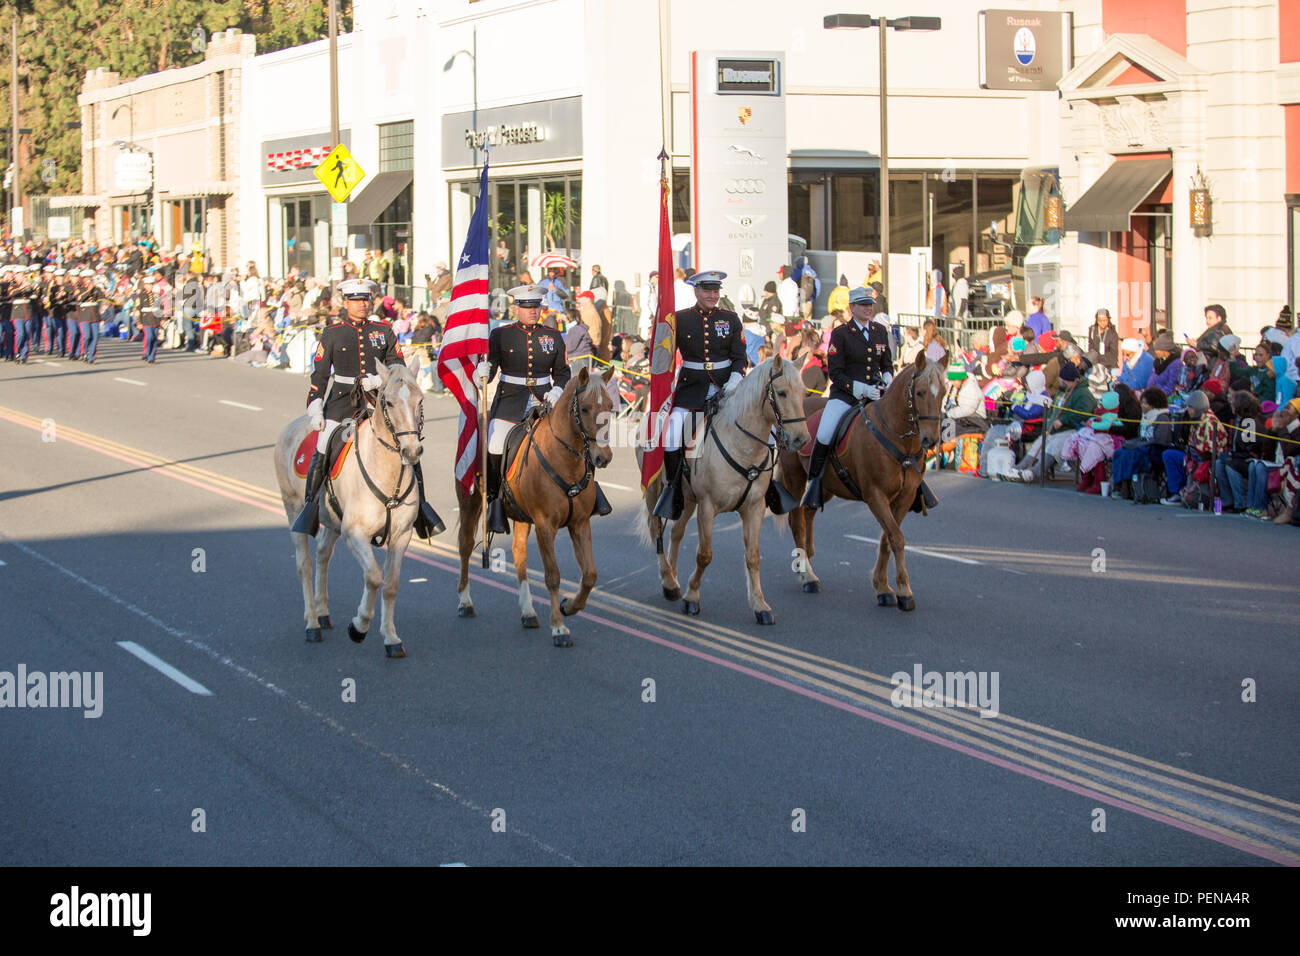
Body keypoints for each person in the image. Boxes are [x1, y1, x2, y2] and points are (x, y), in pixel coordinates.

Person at [292, 277, 444, 540]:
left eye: (366, 299)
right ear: (345, 302)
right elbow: (319, 375)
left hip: (378, 402)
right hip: (341, 405)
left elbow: (398, 366)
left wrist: (378, 380)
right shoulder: (332, 333)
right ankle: (311, 505)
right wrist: (315, 406)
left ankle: (421, 508)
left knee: (408, 445)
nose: (363, 304)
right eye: (356, 300)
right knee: (325, 443)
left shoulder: (383, 331)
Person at [474, 284, 574, 534]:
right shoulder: (501, 335)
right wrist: (481, 373)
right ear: (515, 308)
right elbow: (492, 368)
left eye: (536, 306)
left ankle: (582, 491)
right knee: (495, 442)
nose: (532, 311)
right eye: (527, 306)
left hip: (545, 400)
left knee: (575, 436)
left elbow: (563, 372)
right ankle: (495, 499)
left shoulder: (553, 336)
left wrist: (557, 390)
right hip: (510, 401)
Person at [652, 270, 749, 520]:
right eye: (707, 290)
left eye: (716, 290)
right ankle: (674, 490)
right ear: (696, 291)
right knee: (672, 435)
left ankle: (768, 485)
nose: (712, 295)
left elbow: (739, 355)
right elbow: (663, 353)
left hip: (728, 388)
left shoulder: (730, 318)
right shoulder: (680, 319)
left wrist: (737, 376)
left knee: (766, 430)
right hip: (691, 390)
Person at [801, 286, 895, 511]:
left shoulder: (880, 331)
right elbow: (835, 373)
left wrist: (888, 380)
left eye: (870, 304)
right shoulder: (841, 333)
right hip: (846, 395)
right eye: (863, 304)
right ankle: (814, 483)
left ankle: (916, 484)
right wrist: (860, 389)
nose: (868, 308)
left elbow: (887, 364)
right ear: (852, 308)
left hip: (877, 395)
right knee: (824, 433)